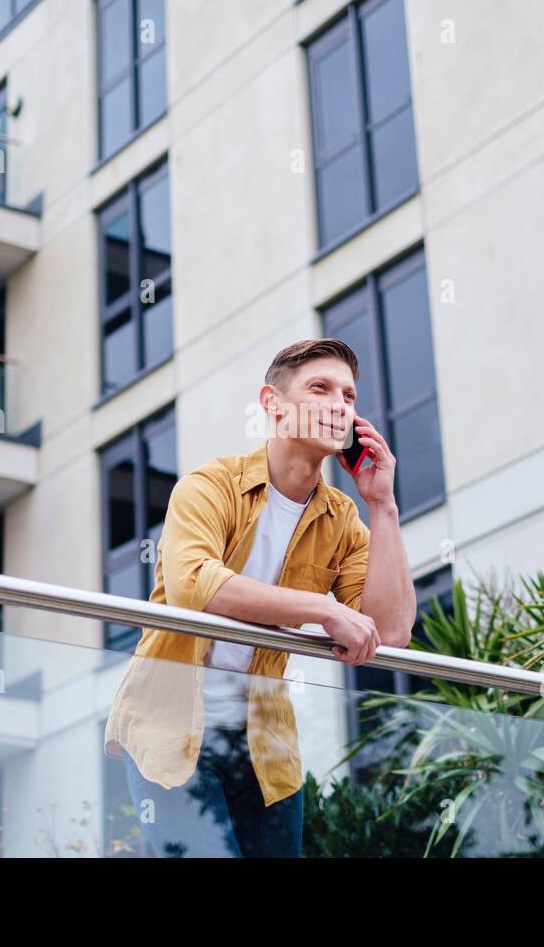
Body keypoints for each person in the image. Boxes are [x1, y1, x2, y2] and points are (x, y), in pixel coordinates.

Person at [104, 337, 417, 857]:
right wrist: (324, 609)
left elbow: (390, 632)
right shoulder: (212, 485)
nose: (339, 404)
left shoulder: (342, 520)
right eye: (321, 388)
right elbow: (194, 584)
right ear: (272, 403)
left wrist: (382, 505)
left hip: (264, 749)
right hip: (170, 732)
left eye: (348, 396)